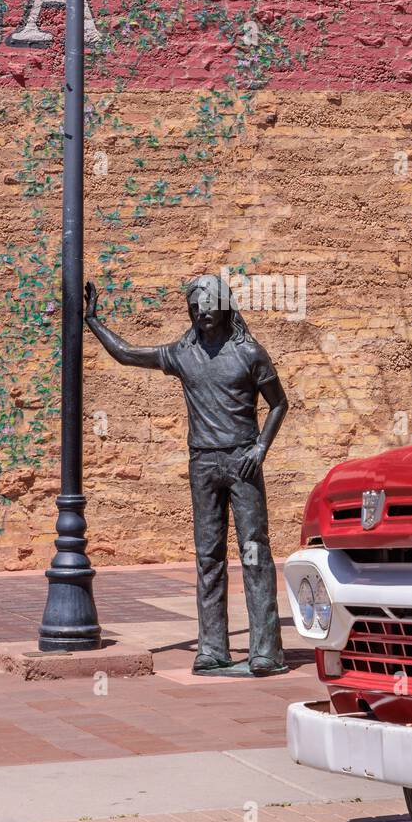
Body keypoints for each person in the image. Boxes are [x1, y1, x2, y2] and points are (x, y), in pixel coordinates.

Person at [84, 273, 289, 675]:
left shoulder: (250, 353)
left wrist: (261, 448)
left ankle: (266, 650)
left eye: (208, 307)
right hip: (204, 465)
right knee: (208, 557)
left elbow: (279, 404)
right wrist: (93, 321)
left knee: (254, 552)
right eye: (195, 308)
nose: (201, 314)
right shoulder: (183, 352)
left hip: (242, 461)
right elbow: (127, 353)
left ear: (225, 306)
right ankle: (212, 649)